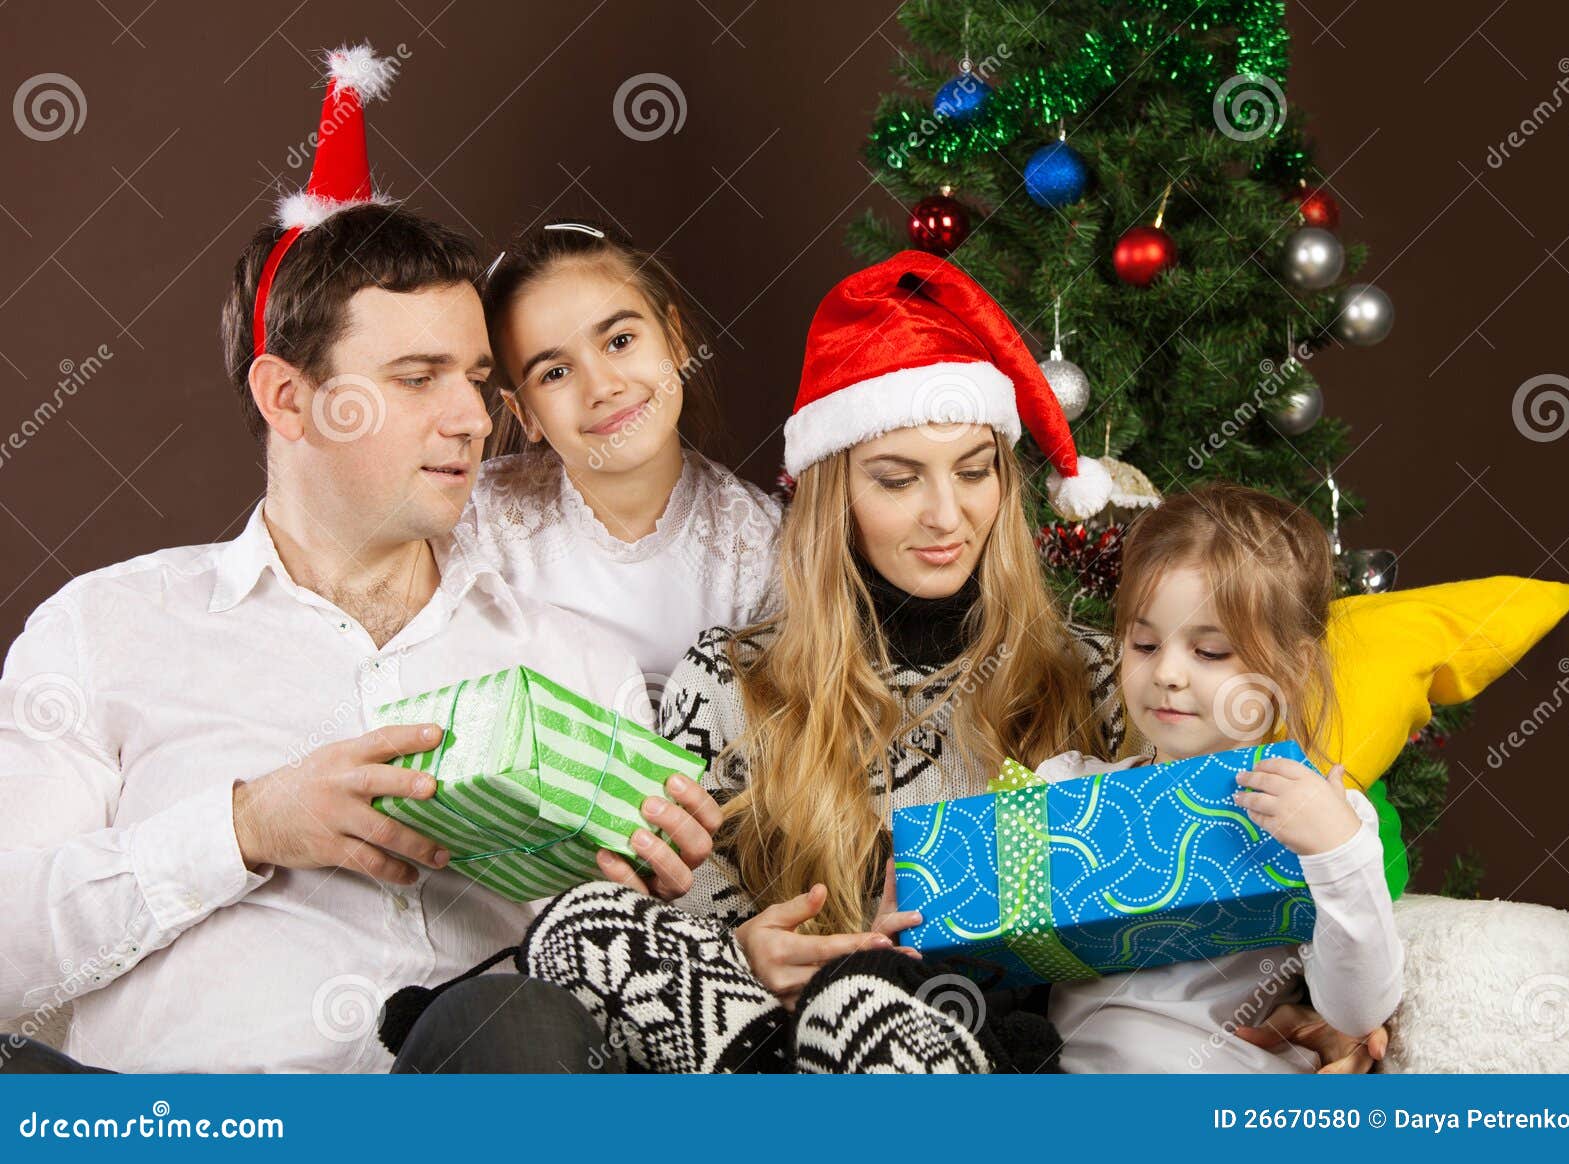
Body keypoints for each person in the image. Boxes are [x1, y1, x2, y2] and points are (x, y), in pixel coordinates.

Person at [0, 44, 716, 1075]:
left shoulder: (575, 665)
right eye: (418, 377)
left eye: (477, 378)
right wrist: (246, 828)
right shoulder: (105, 629)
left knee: (518, 1025)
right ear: (289, 399)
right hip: (192, 1121)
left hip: (472, 1107)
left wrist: (638, 924)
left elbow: (612, 990)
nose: (473, 418)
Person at [501, 252, 1394, 1074]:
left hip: (999, 1071)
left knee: (892, 1014)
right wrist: (742, 957)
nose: (945, 516)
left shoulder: (1106, 674)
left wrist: (1332, 1000)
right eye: (897, 479)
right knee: (589, 926)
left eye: (973, 472)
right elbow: (670, 923)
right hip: (783, 1054)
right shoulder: (729, 685)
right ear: (832, 495)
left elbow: (1266, 850)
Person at [1038, 482, 1403, 1071]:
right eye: (1144, 643)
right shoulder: (1069, 792)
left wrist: (1339, 853)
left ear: (1294, 667)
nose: (1168, 673)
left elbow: (1359, 1011)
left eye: (1210, 652)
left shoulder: (1320, 819)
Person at [465, 219, 782, 697]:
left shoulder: (758, 550)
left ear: (675, 340)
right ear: (524, 413)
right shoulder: (480, 524)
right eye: (555, 373)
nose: (603, 386)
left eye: (620, 341)